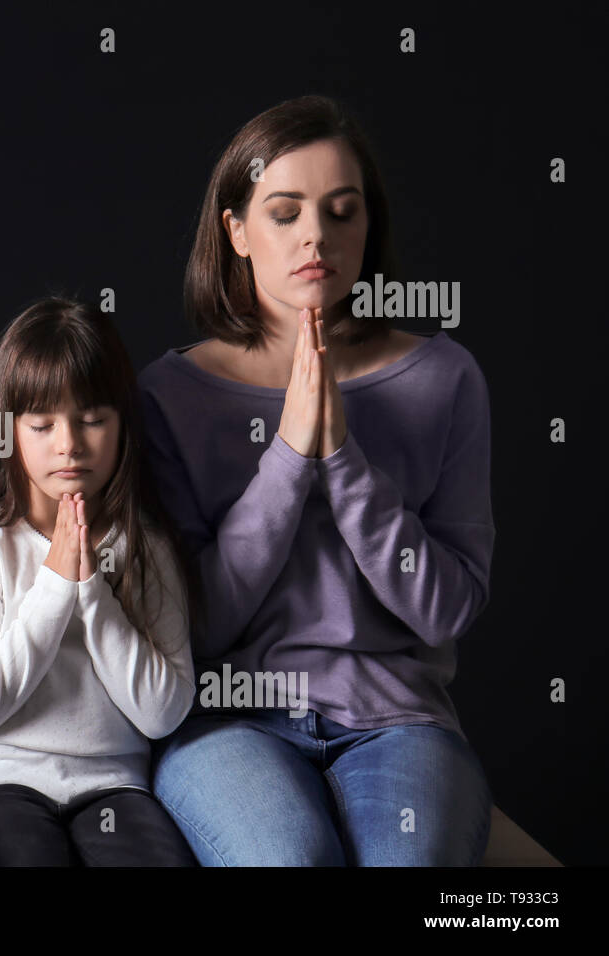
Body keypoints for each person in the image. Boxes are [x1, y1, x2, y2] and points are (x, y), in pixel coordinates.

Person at [139, 95, 494, 865]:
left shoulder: (443, 378)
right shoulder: (171, 396)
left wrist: (343, 457)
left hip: (400, 721)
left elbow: (446, 608)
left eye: (341, 212)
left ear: (369, 228)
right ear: (235, 231)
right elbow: (195, 629)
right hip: (232, 721)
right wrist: (291, 455)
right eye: (285, 212)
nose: (316, 237)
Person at [0, 297, 199, 866]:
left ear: (122, 425)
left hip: (114, 784)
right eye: (42, 423)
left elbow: (164, 712)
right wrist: (55, 586)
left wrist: (92, 593)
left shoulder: (146, 547)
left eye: (93, 419)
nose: (70, 444)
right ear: (10, 430)